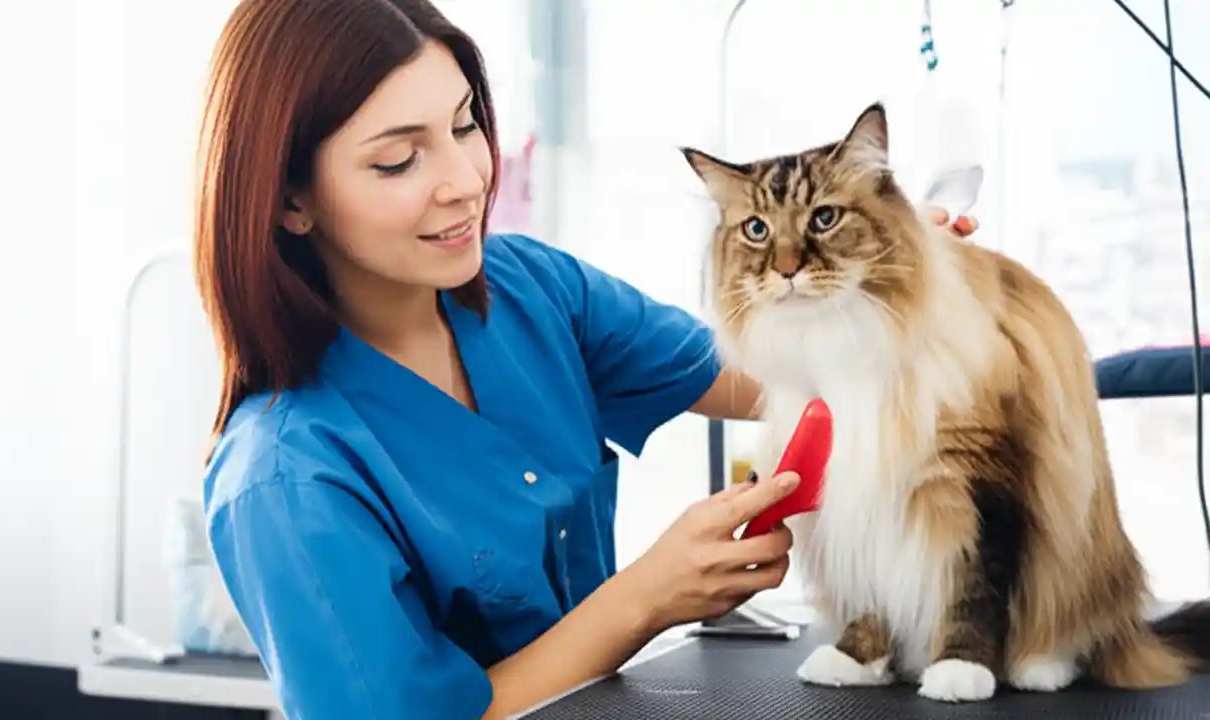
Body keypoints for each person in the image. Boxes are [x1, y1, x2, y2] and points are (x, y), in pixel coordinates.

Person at [193, 1, 980, 717]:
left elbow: (759, 378)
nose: (466, 182)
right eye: (400, 161)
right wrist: (647, 597)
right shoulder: (285, 480)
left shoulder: (531, 289)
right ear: (291, 199)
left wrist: (879, 285)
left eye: (466, 126)